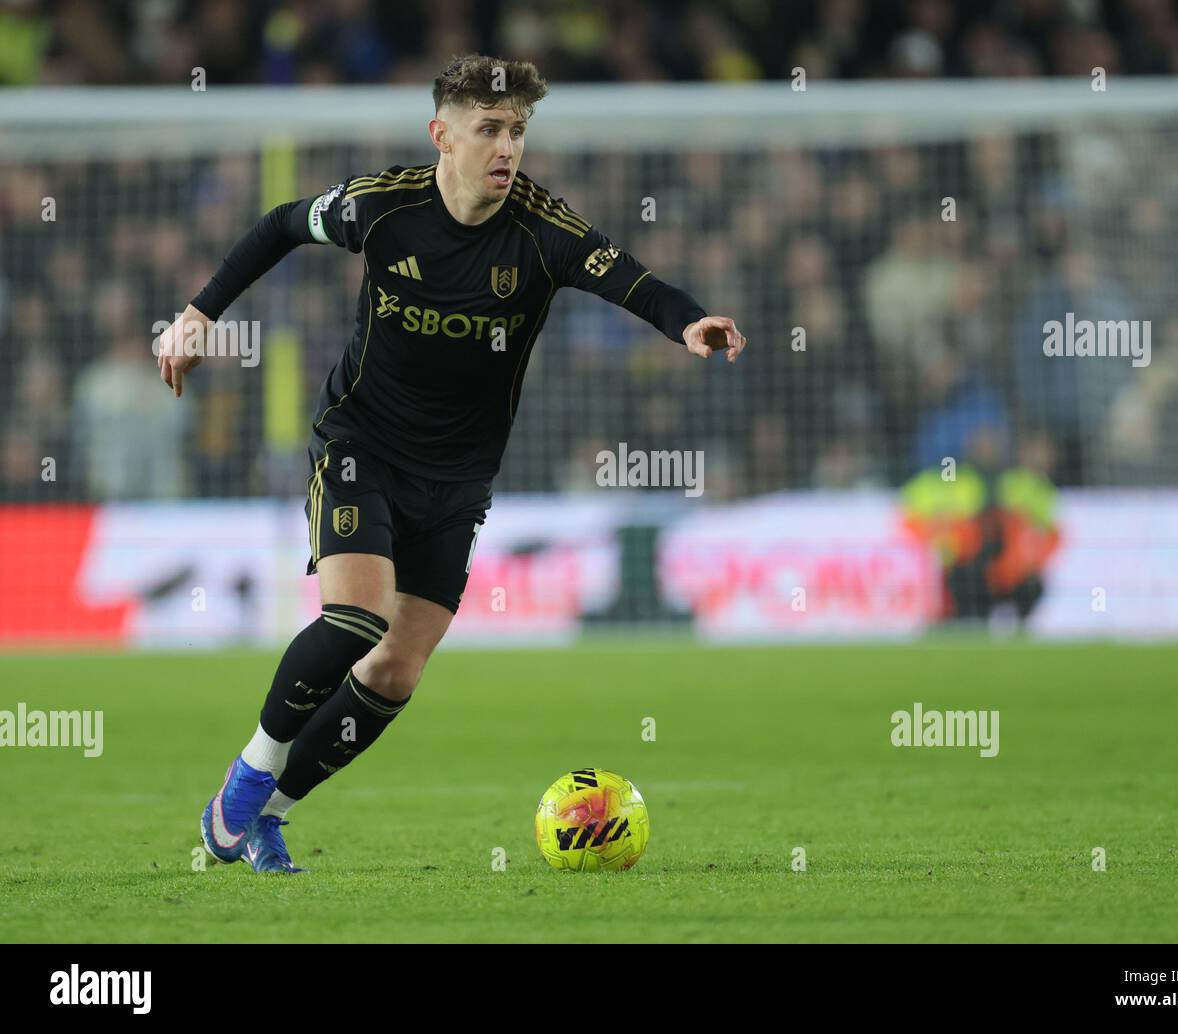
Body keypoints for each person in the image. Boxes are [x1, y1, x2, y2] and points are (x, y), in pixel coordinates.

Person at [156, 54, 747, 873]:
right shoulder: (382, 208)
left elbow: (634, 283)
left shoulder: (545, 232)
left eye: (518, 131)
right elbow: (279, 226)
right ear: (443, 135)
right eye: (489, 130)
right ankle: (250, 775)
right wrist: (197, 315)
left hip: (459, 478)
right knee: (355, 620)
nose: (508, 148)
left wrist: (687, 323)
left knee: (396, 670)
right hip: (360, 442)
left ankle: (274, 815)